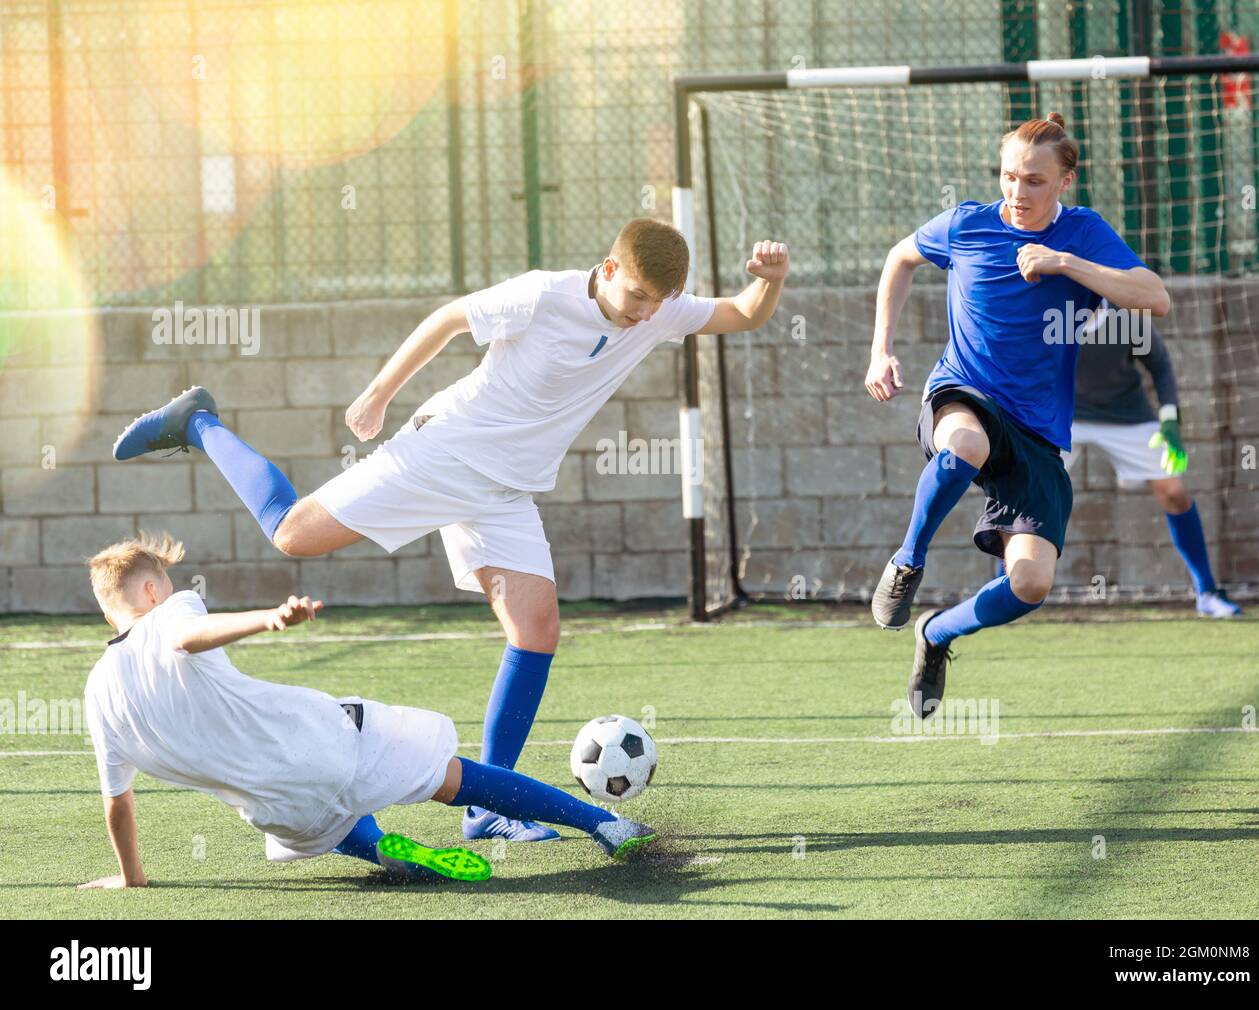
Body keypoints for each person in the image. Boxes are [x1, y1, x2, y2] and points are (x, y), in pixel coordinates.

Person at [110, 219, 788, 841]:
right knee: (292, 535)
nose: (644, 313)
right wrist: (378, 393)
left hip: (505, 489)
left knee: (536, 629)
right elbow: (447, 320)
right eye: (637, 295)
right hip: (445, 454)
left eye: (656, 303)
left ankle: (485, 809)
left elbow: (740, 314)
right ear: (609, 268)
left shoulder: (659, 311)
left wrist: (770, 279)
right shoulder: (541, 295)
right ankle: (198, 420)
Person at [78, 531, 656, 890]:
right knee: (449, 776)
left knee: (333, 819)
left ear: (110, 612)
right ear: (153, 592)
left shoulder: (98, 693)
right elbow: (188, 636)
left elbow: (117, 804)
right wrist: (266, 618)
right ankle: (603, 823)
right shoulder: (171, 613)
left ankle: (381, 849)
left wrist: (132, 878)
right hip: (324, 741)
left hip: (276, 809)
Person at [864, 112, 1169, 719]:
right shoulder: (966, 224)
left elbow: (1154, 297)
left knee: (1030, 584)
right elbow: (899, 259)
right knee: (965, 446)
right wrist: (881, 348)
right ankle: (907, 561)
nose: (1017, 192)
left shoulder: (1083, 234)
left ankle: (936, 634)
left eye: (1034, 180)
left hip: (1037, 433)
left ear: (1064, 182)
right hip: (964, 392)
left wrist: (1065, 264)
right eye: (1009, 176)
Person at [1068, 304, 1240, 617]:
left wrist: (1170, 420)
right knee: (1027, 496)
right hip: (1062, 417)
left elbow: (1160, 365)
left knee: (1173, 492)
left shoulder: (1126, 318)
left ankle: (1206, 592)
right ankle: (1005, 588)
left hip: (1127, 416)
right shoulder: (1047, 312)